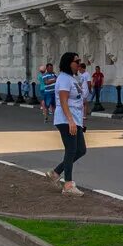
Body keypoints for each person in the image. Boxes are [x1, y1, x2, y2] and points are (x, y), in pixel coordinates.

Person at [44, 52, 87, 196]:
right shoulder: (63, 79)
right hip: (66, 120)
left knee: (81, 149)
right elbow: (63, 101)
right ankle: (68, 185)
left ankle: (55, 173)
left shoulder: (72, 78)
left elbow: (78, 100)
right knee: (71, 150)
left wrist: (79, 120)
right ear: (69, 63)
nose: (79, 64)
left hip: (75, 119)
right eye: (77, 61)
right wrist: (70, 121)